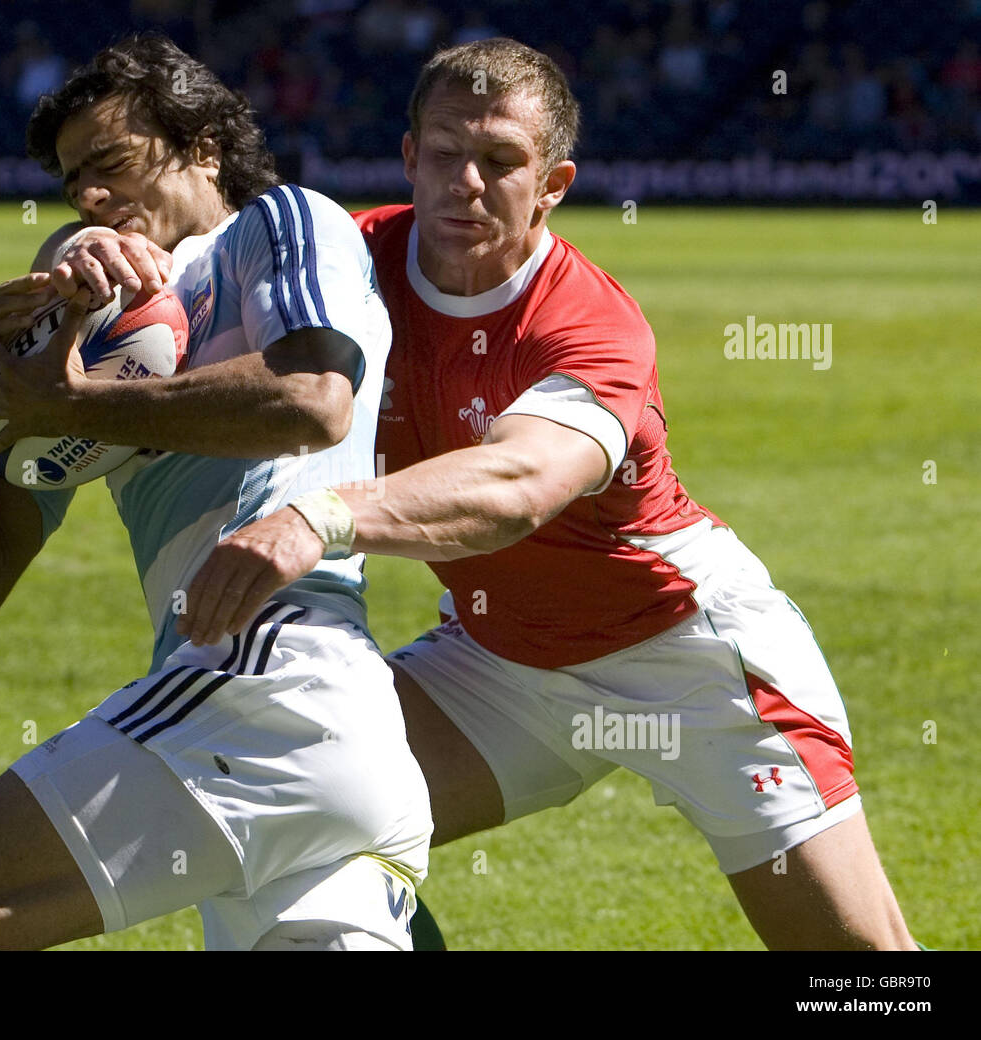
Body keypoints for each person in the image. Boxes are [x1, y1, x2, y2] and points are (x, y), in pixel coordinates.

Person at [176, 37, 917, 950]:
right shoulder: (350, 261)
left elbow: (518, 484)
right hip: (498, 666)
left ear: (555, 182)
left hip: (689, 659)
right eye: (445, 154)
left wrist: (318, 519)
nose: (467, 183)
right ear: (411, 158)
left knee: (860, 972)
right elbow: (188, 276)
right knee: (299, 813)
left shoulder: (590, 322)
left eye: (501, 161)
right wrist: (105, 251)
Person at [0, 33, 431, 952]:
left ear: (202, 147)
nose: (88, 194)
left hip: (265, 680)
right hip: (324, 750)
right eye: (72, 179)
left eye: (111, 162)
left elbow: (314, 400)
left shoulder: (279, 223)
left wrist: (79, 402)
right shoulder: (90, 327)